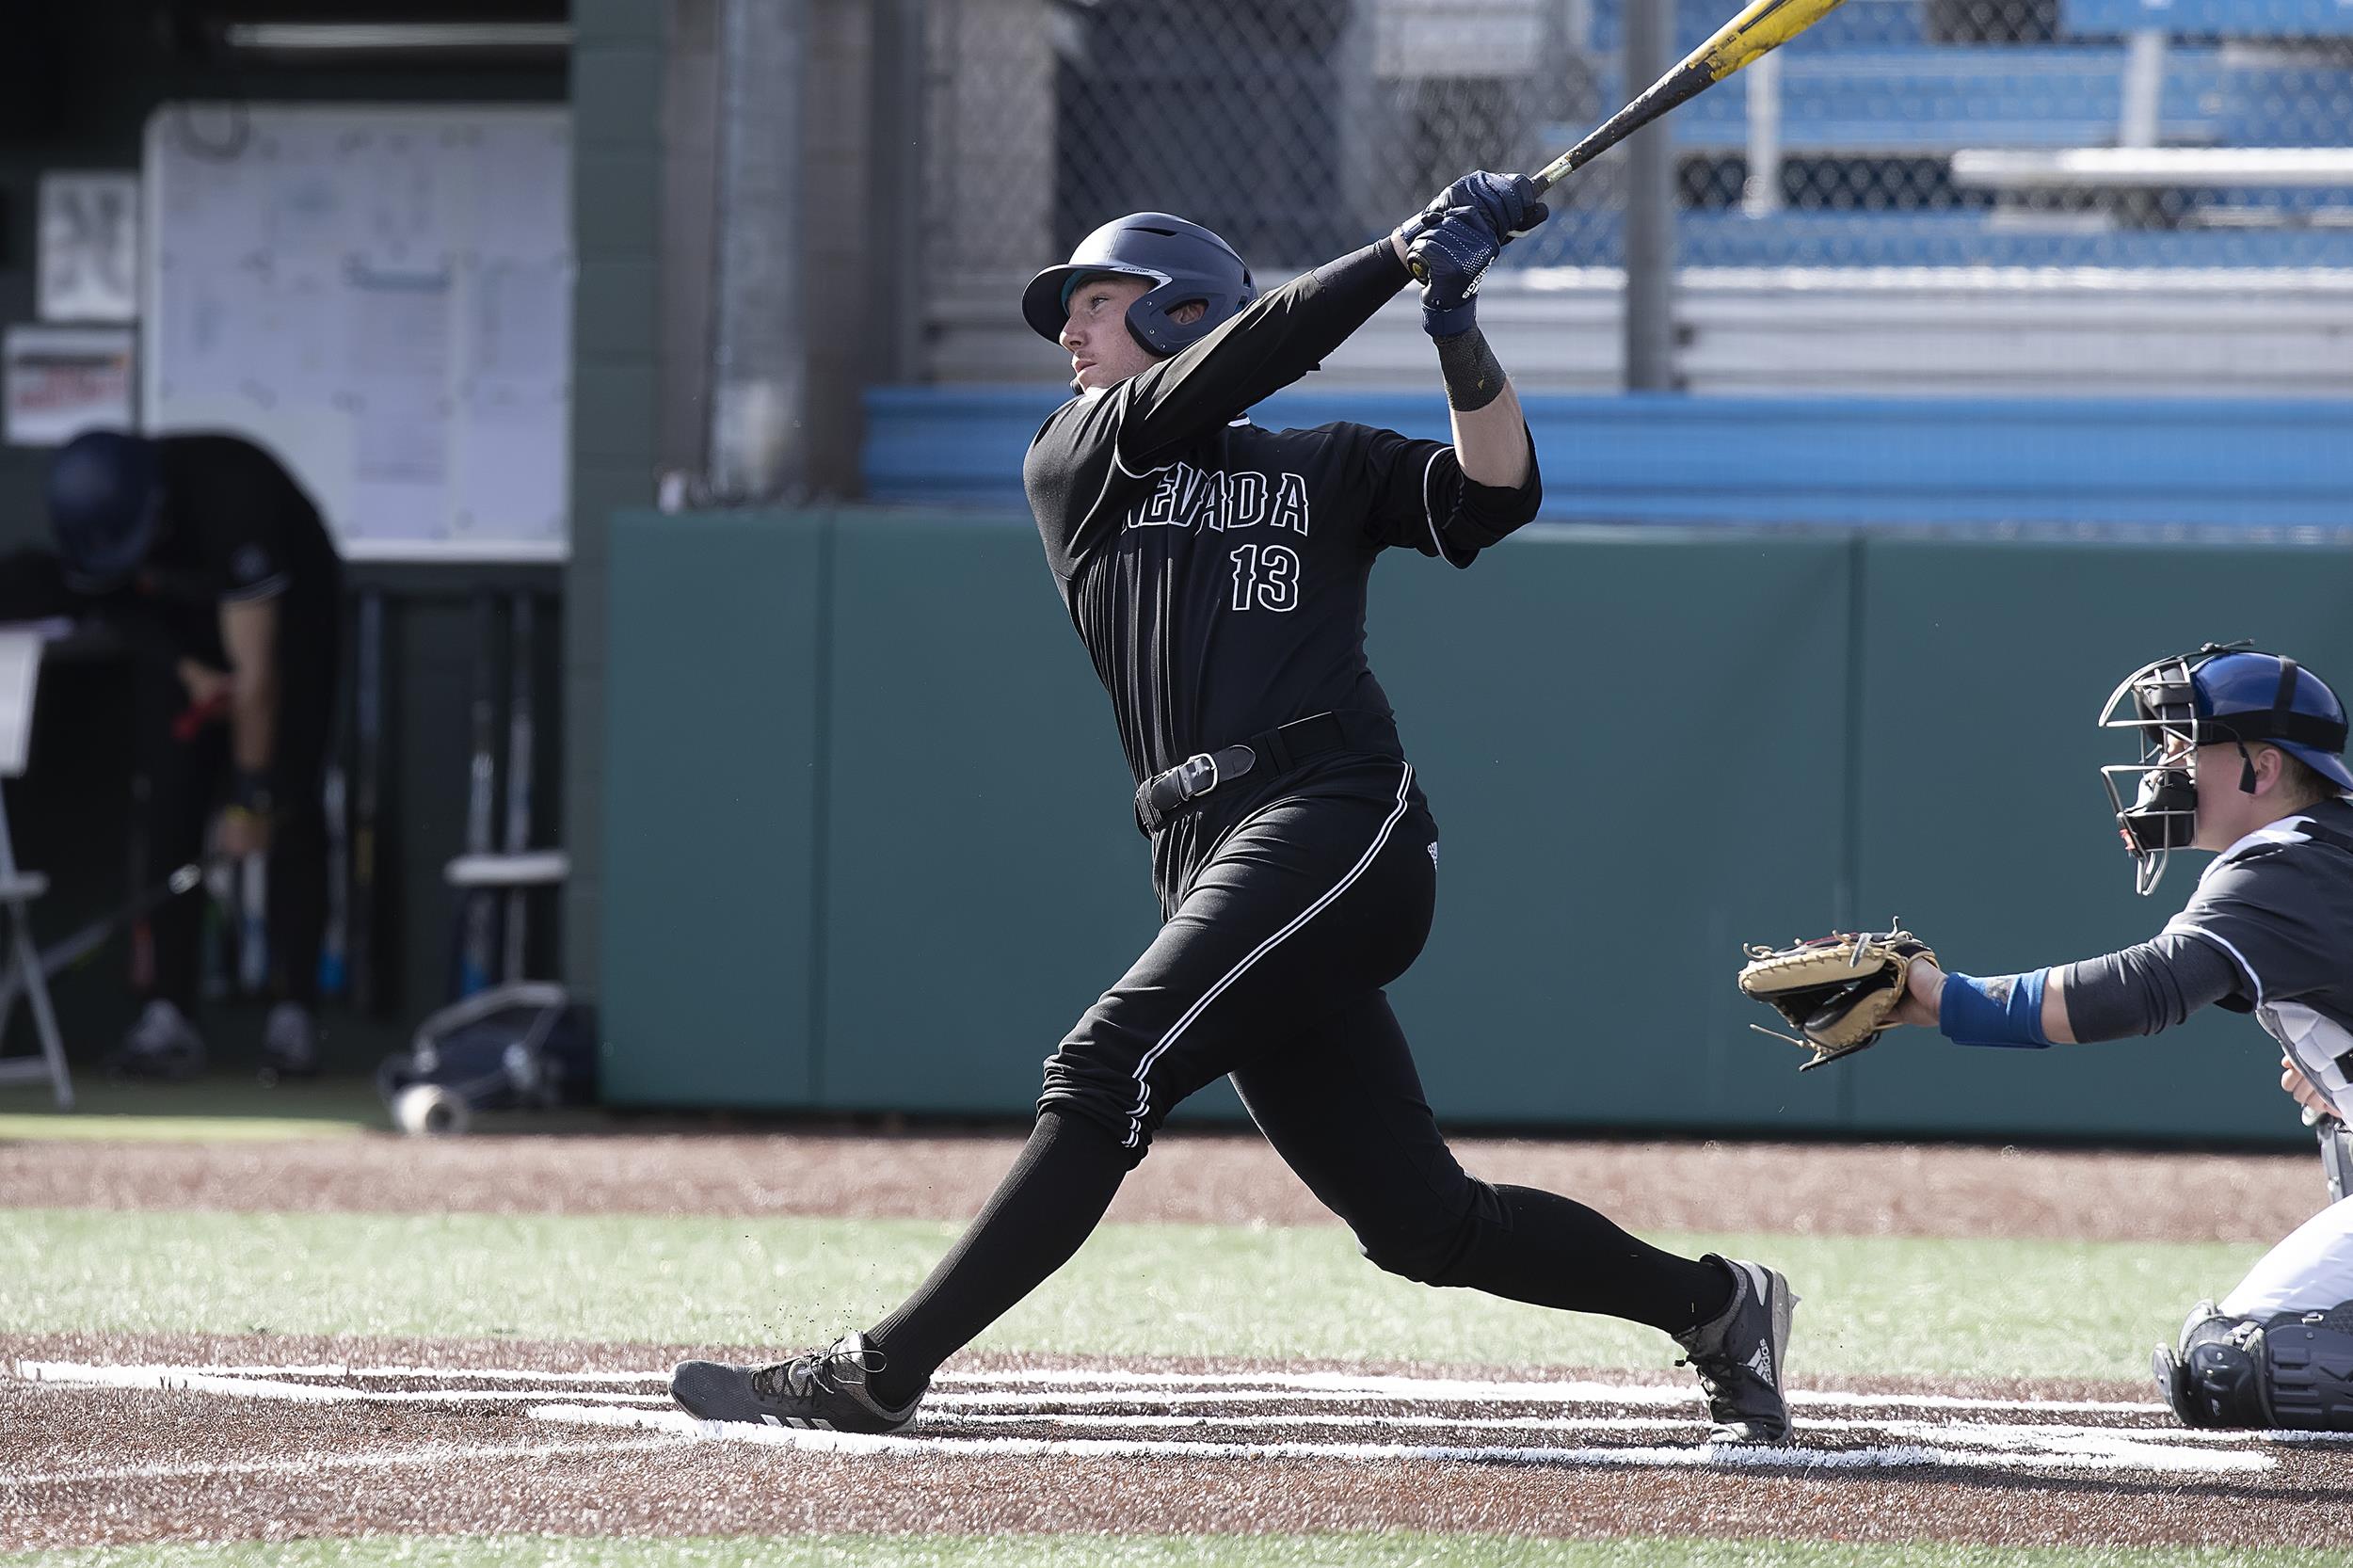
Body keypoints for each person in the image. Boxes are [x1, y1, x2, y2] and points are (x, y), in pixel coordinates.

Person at [669, 176, 1799, 1444]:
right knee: (1421, 1222)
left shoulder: (1329, 465)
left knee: (1103, 1067)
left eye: (1097, 304)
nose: (1070, 334)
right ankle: (1717, 1306)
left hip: (1334, 815)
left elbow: (1498, 494)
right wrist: (1392, 252)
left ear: (1182, 309)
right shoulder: (1079, 455)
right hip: (1204, 850)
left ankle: (884, 1367)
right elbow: (1248, 357)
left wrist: (1455, 330)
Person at [1882, 643, 2353, 1431]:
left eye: (2182, 744)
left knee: (2231, 1368)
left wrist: (1942, 1000)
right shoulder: (2325, 845)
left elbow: (2141, 991)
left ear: (2262, 770)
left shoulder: (2286, 864)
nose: (2162, 766)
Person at [40, 428, 343, 1081]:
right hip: (184, 644)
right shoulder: (99, 528)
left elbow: (258, 677)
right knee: (171, 810)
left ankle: (295, 1015)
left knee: (289, 805)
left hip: (290, 632)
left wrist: (252, 796)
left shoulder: (237, 499)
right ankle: (169, 1016)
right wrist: (189, 671)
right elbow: (114, 604)